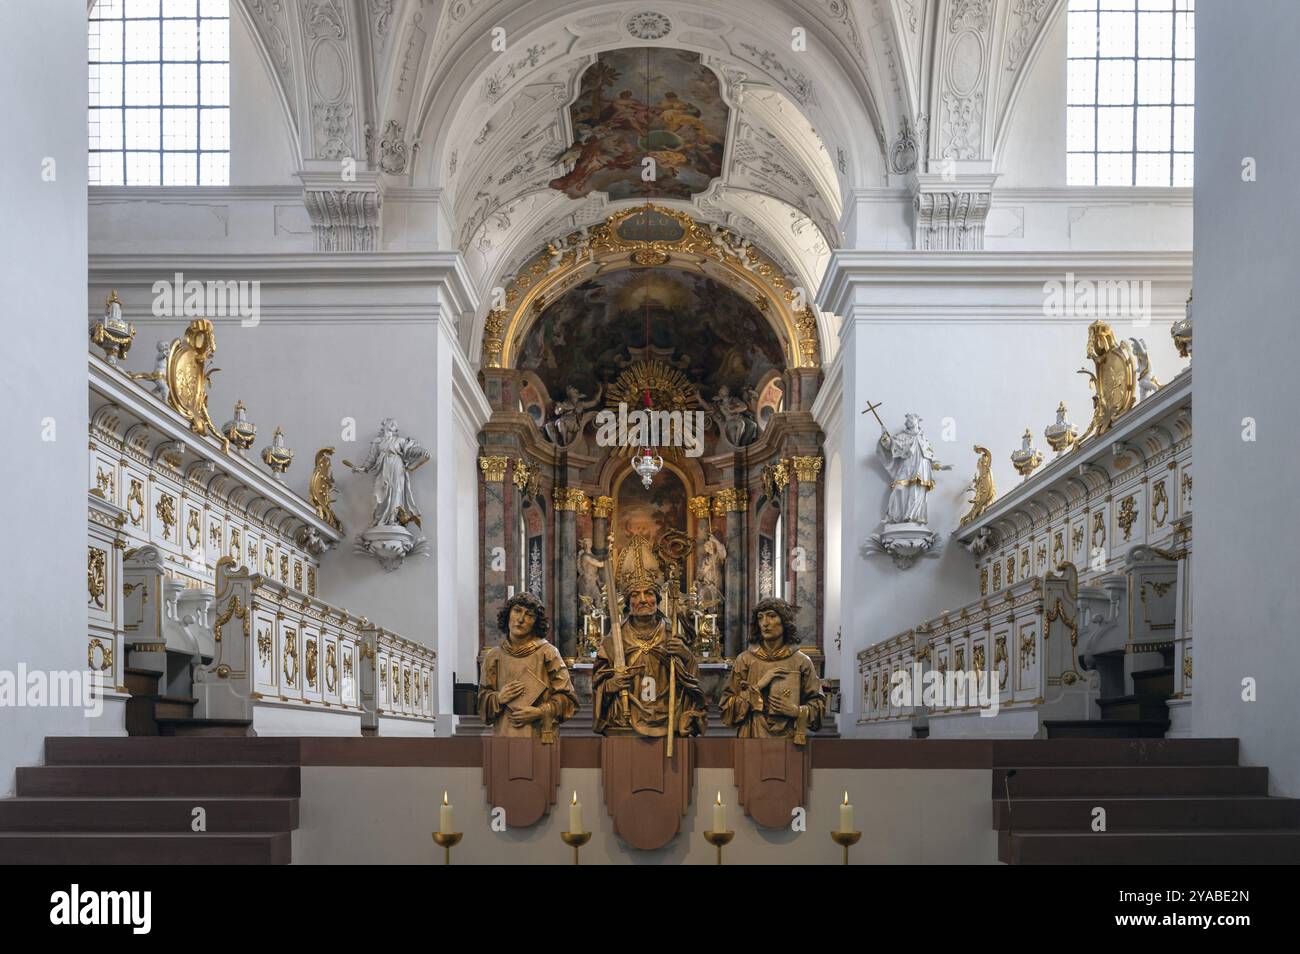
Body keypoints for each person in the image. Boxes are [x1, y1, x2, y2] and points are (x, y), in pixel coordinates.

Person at [591, 570, 707, 738]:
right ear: (628, 603)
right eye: (636, 595)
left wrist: (686, 656)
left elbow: (692, 683)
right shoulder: (614, 641)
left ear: (658, 600)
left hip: (668, 718)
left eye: (649, 593)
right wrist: (611, 685)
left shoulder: (672, 635)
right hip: (625, 719)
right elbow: (597, 683)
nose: (643, 600)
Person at [720, 598, 825, 743]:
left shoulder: (801, 661)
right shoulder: (745, 660)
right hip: (751, 738)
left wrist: (797, 711)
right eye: (760, 618)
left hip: (790, 741)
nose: (765, 623)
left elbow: (818, 707)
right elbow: (727, 708)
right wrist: (757, 687)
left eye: (771, 616)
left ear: (785, 620)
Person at [477, 593, 578, 741]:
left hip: (539, 736)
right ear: (508, 614)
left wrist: (540, 712)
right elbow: (482, 704)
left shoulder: (548, 653)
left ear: (536, 622)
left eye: (529, 615)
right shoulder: (494, 656)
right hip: (504, 735)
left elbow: (569, 700)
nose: (521, 619)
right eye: (517, 611)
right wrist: (498, 698)